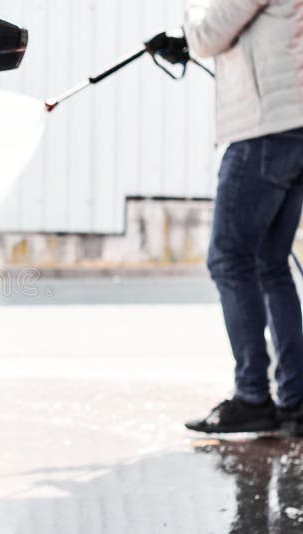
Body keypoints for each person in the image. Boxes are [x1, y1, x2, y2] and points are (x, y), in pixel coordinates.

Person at [146, 0, 303, 434]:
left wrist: (190, 23)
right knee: (270, 265)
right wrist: (189, 42)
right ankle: (295, 399)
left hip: (263, 131)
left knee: (229, 259)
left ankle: (253, 396)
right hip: (291, 128)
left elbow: (210, 31)